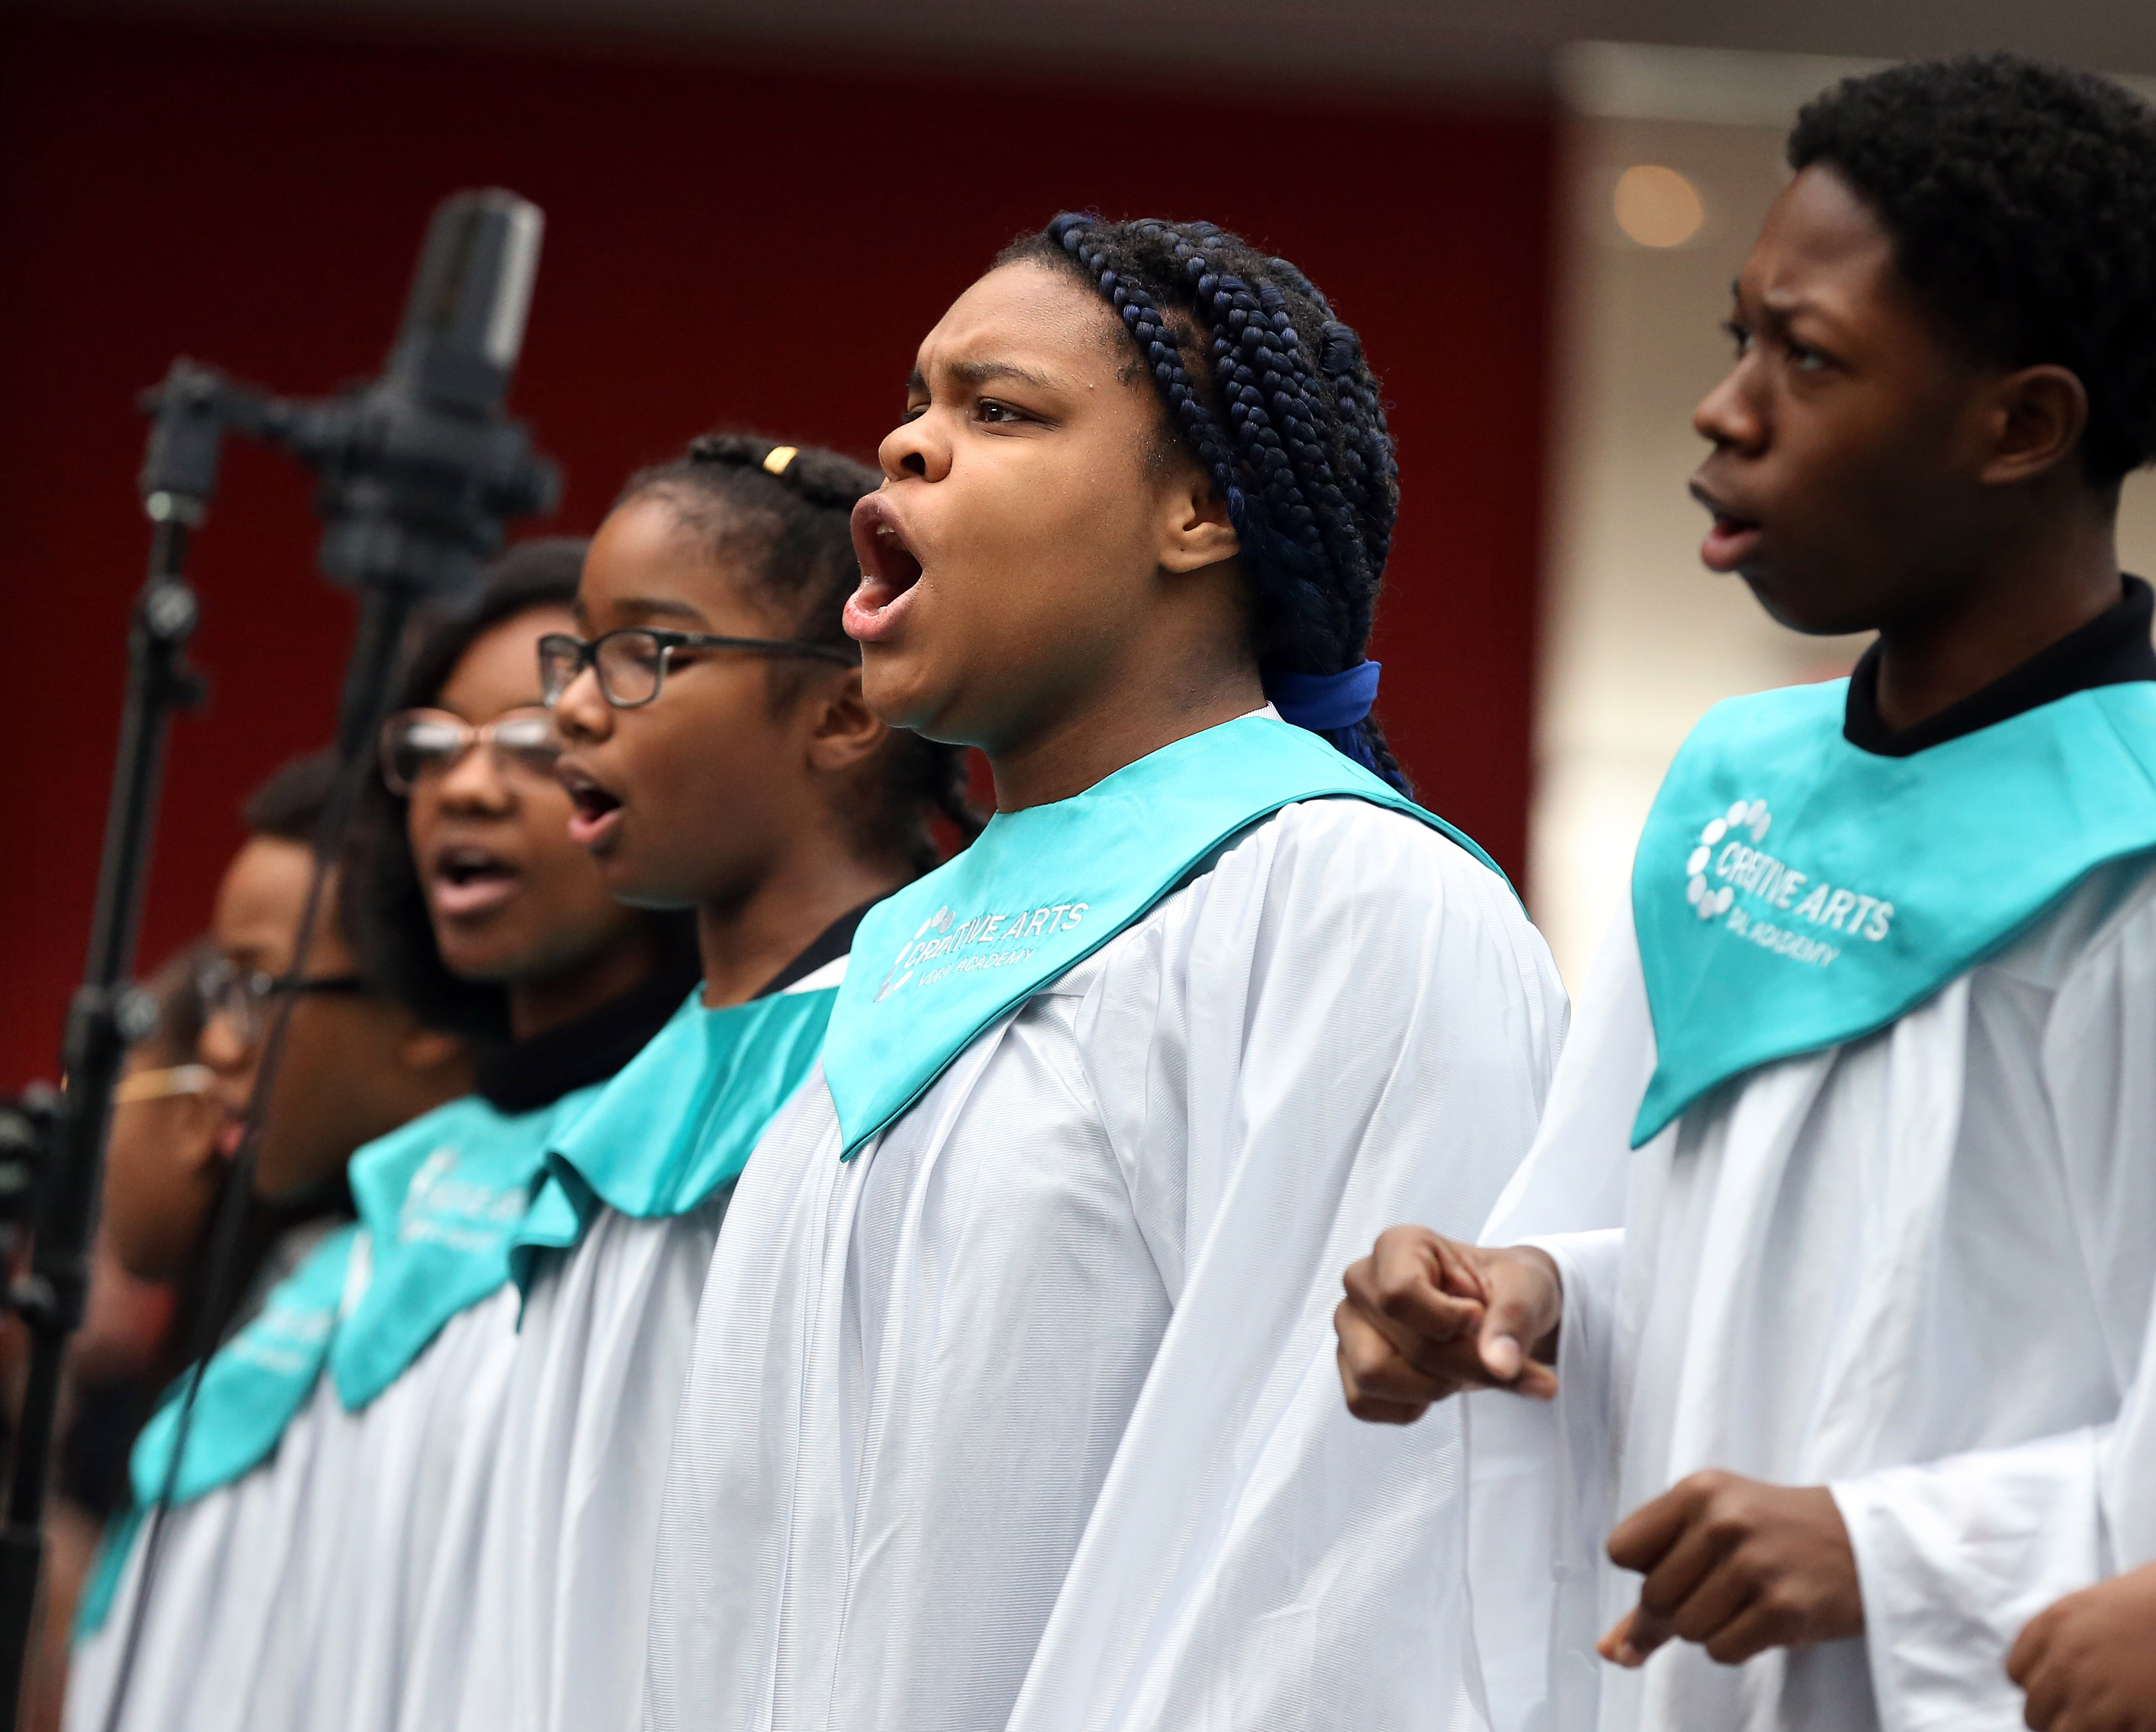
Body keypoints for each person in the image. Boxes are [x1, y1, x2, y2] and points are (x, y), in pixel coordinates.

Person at [642, 218, 1566, 1732]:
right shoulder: (893, 964)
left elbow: (1350, 1574)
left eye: (997, 411)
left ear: (1201, 508)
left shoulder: (1351, 901)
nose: (905, 446)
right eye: (918, 404)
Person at [1332, 54, 2156, 1732]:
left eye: (1811, 358)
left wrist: (1890, 1551)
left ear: (2024, 426)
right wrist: (1530, 1292)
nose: (1728, 408)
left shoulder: (2127, 854)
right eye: (1738, 337)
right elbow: (1731, 1264)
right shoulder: (1738, 796)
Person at [415, 434, 974, 1732]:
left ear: (843, 709)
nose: (572, 710)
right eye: (579, 651)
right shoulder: (633, 1102)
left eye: (647, 655)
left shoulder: (913, 1067)